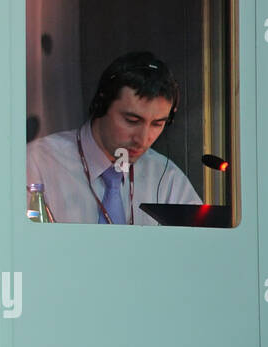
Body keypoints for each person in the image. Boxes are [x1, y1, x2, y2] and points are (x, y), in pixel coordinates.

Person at [26, 51, 200, 224]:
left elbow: (198, 245)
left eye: (157, 124)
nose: (143, 139)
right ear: (101, 106)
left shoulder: (167, 178)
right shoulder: (38, 163)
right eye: (132, 121)